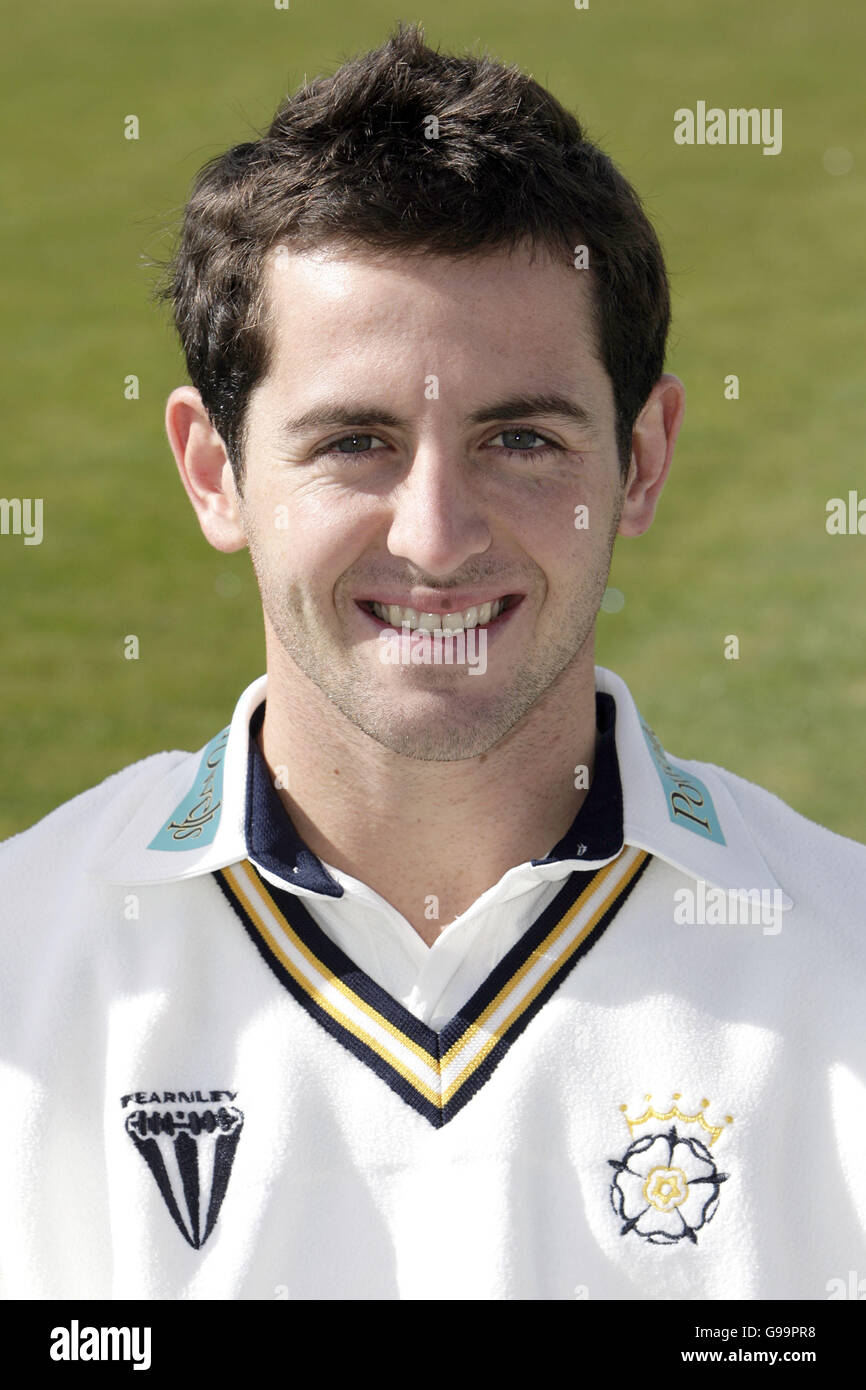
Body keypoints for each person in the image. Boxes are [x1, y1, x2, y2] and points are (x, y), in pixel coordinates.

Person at [1, 22, 864, 1302]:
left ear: (641, 458)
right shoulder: (23, 974)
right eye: (353, 440)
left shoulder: (840, 971)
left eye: (518, 438)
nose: (436, 535)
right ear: (212, 470)